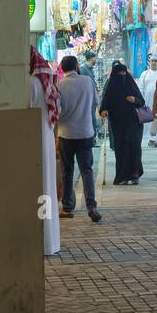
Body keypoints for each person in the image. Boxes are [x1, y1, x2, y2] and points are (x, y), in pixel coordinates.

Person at [56, 55, 101, 222]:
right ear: (76, 66)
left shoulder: (59, 84)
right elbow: (96, 102)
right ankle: (91, 206)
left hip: (66, 134)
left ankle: (67, 208)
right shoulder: (87, 81)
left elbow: (57, 109)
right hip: (85, 133)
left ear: (62, 68)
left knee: (67, 172)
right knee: (87, 171)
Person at [28, 46, 61, 255]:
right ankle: (50, 240)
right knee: (46, 189)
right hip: (46, 139)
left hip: (34, 141)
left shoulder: (31, 84)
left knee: (38, 189)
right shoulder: (45, 83)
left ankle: (42, 241)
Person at [100, 60, 146, 185]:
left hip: (133, 122)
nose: (122, 76)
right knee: (121, 148)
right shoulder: (111, 85)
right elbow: (105, 101)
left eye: (124, 73)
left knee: (134, 147)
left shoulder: (131, 84)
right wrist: (103, 111)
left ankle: (135, 174)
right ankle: (122, 176)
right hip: (117, 122)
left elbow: (141, 101)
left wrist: (134, 99)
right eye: (119, 73)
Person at [137, 54, 157, 147]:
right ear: (149, 62)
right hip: (147, 101)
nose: (153, 63)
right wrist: (141, 101)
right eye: (152, 61)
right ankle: (150, 139)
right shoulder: (145, 74)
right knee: (148, 120)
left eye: (155, 61)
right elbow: (140, 88)